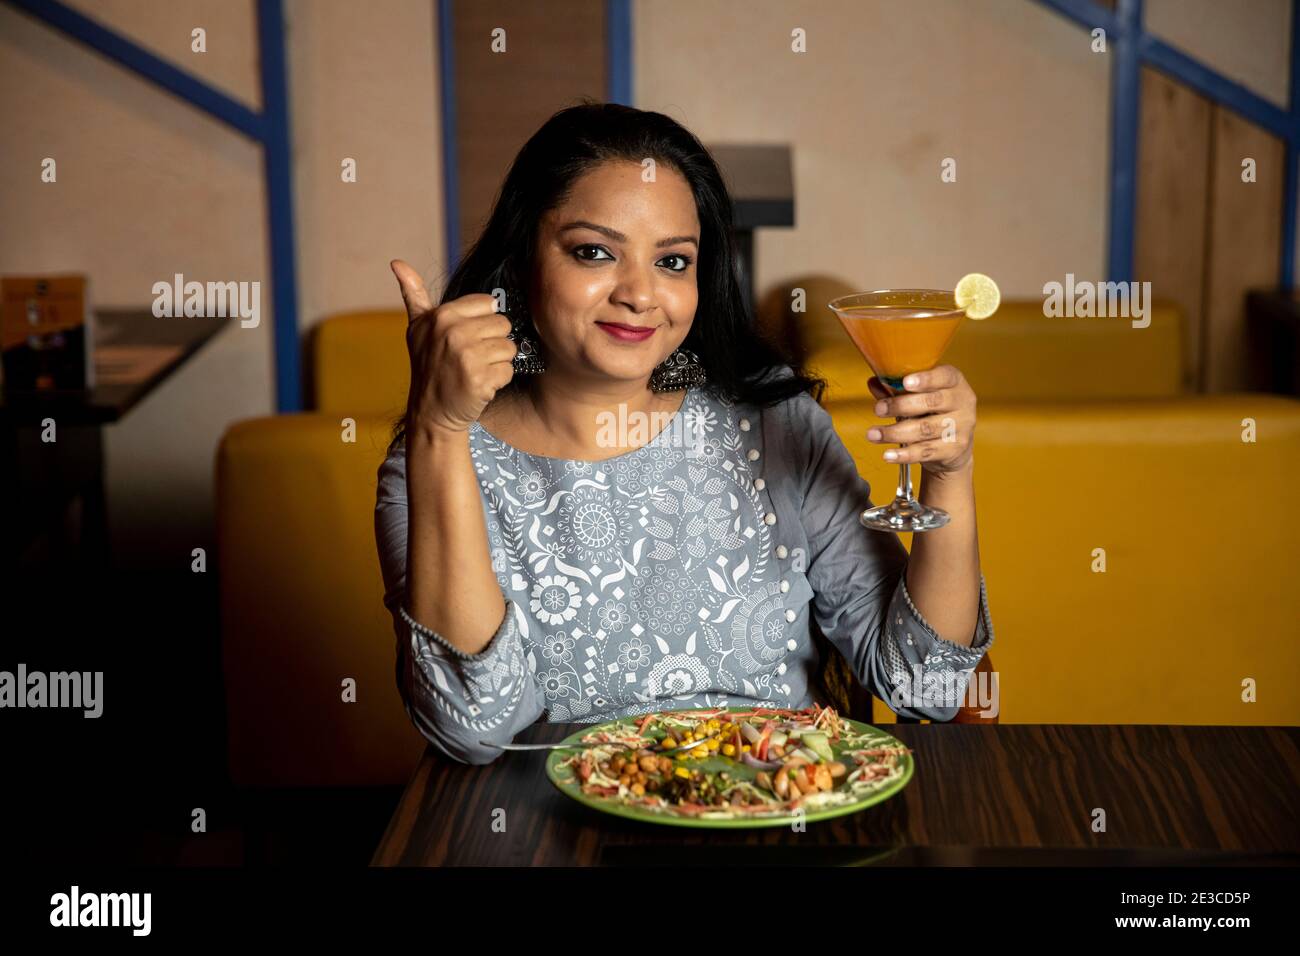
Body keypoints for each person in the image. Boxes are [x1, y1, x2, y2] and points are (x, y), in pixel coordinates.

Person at [375, 101, 994, 765]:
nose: (640, 294)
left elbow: (923, 684)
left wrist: (949, 473)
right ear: (523, 261)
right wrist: (439, 429)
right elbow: (474, 729)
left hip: (773, 820)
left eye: (672, 262)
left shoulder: (776, 424)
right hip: (559, 838)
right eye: (594, 253)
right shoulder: (441, 463)